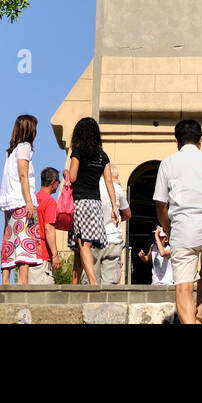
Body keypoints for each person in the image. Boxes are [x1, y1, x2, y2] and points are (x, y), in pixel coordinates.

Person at [153, 119, 202, 325]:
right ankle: (200, 313)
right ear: (201, 140)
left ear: (177, 141)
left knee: (183, 287)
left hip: (183, 229)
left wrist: (168, 228)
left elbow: (161, 204)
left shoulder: (168, 163)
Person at [67, 116, 119, 286]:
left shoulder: (78, 152)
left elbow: (73, 177)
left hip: (80, 201)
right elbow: (109, 181)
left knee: (83, 244)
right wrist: (114, 207)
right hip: (95, 203)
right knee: (82, 244)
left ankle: (92, 281)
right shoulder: (103, 156)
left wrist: (65, 173)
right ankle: (75, 284)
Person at [0, 114, 41, 284]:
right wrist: (29, 201)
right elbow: (24, 175)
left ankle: (6, 280)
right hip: (22, 201)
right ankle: (22, 281)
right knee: (24, 239)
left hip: (10, 201)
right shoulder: (24, 148)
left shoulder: (12, 151)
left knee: (9, 238)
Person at [92, 165, 130, 285]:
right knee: (110, 284)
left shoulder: (92, 187)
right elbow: (128, 214)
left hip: (93, 238)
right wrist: (117, 218)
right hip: (113, 239)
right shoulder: (116, 189)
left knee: (91, 282)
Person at [31, 167, 61, 284]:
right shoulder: (50, 201)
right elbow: (48, 228)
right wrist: (55, 254)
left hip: (28, 254)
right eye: (58, 182)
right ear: (53, 182)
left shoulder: (32, 200)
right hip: (42, 255)